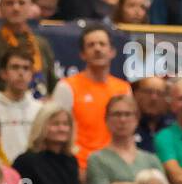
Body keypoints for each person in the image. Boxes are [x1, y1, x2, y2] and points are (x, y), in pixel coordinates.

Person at [51, 23, 132, 169]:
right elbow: (56, 131)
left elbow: (128, 132)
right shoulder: (67, 86)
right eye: (91, 45)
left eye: (102, 44)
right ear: (82, 54)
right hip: (79, 165)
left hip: (115, 165)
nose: (97, 49)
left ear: (112, 51)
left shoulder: (123, 88)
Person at [0, 50, 43, 162]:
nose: (21, 73)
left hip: (32, 172)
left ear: (32, 75)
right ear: (3, 74)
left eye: (26, 68)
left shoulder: (40, 110)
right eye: (15, 67)